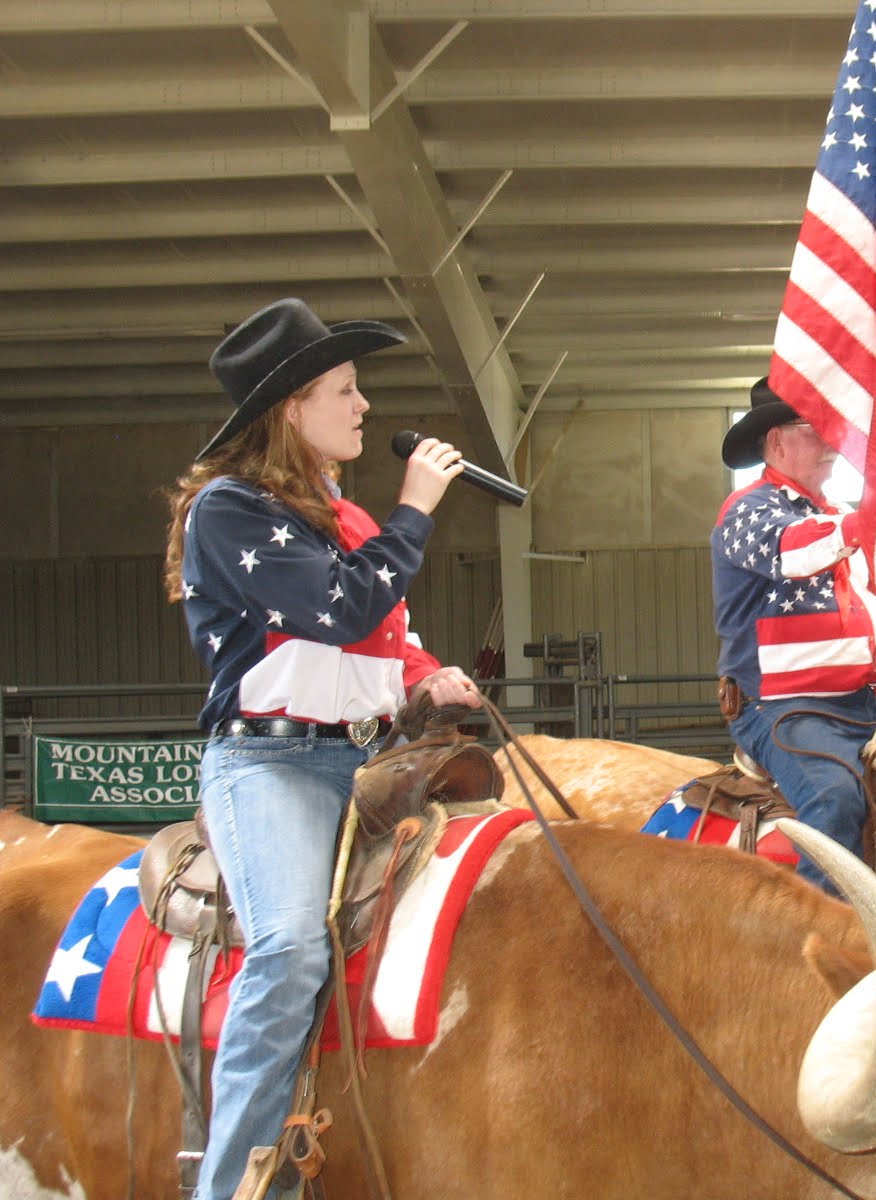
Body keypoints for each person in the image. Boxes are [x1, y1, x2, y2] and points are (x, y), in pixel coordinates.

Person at [162, 297, 482, 1200]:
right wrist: (415, 510)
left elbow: (375, 633)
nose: (364, 405)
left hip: (364, 759)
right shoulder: (228, 513)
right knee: (292, 949)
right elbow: (340, 607)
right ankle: (230, 1186)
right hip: (270, 768)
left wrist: (422, 678)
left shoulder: (334, 514)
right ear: (291, 410)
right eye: (345, 388)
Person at [711, 376, 876, 893]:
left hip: (862, 705)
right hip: (780, 709)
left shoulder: (832, 519)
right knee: (834, 799)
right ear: (776, 441)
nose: (832, 443)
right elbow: (794, 551)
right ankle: (813, 945)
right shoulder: (748, 510)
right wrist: (872, 520)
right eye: (816, 430)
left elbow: (873, 609)